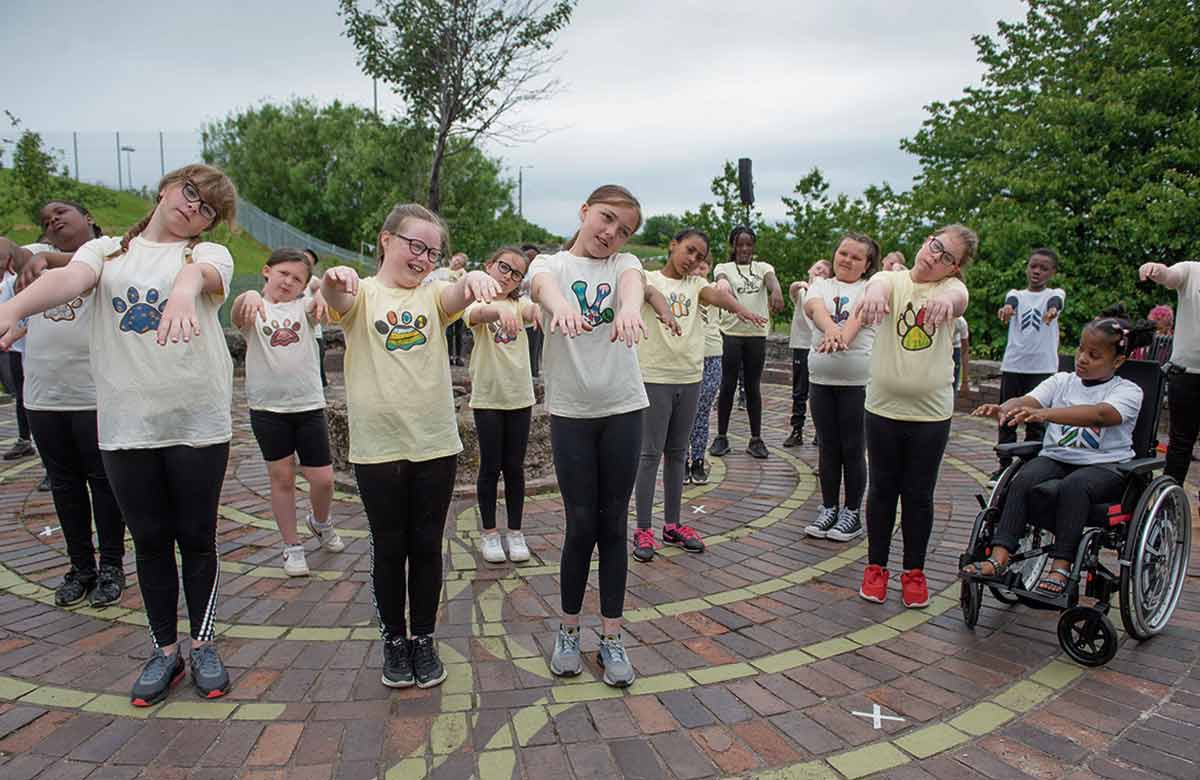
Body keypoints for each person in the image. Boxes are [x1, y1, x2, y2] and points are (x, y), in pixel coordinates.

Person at [0, 164, 239, 705]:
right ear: (165, 188)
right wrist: (12, 307)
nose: (193, 208)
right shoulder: (106, 252)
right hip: (127, 425)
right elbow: (69, 280)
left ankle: (203, 643)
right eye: (190, 193)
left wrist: (182, 289)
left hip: (196, 422)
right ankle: (163, 650)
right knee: (150, 542)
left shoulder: (203, 255)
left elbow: (205, 276)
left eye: (206, 209)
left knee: (196, 540)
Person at [322, 203, 501, 690]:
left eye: (432, 251)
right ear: (386, 240)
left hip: (434, 444)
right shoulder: (362, 293)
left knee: (425, 545)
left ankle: (423, 637)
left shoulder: (432, 295)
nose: (423, 258)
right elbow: (335, 296)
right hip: (378, 449)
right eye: (414, 246)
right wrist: (334, 278)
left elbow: (457, 293)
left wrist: (477, 279)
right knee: (389, 547)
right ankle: (393, 639)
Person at [528, 184, 648, 688]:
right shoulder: (549, 266)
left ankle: (613, 637)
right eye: (605, 219)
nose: (610, 234)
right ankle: (569, 630)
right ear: (583, 211)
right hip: (573, 413)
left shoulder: (624, 266)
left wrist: (630, 309)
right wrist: (560, 307)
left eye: (622, 230)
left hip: (623, 408)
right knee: (580, 525)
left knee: (613, 526)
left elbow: (633, 287)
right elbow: (543, 290)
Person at [964, 306, 1153, 595]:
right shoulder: (1062, 381)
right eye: (1080, 350)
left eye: (1094, 355)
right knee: (1023, 478)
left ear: (1118, 360)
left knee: (1075, 486)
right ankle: (1000, 557)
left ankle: (1061, 566)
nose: (1082, 359)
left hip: (1107, 467)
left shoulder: (1128, 390)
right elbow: (1029, 399)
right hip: (1058, 458)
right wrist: (1003, 407)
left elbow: (1101, 415)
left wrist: (1047, 415)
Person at [1, 201, 126, 607]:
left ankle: (112, 566)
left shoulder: (109, 251)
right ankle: (80, 567)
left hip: (95, 395)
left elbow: (100, 258)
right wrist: (34, 257)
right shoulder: (32, 260)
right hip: (44, 397)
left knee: (105, 484)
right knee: (65, 485)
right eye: (44, 219)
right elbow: (13, 251)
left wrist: (48, 257)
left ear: (88, 217)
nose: (52, 219)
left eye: (61, 212)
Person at [855, 225, 976, 608]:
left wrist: (949, 304)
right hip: (883, 409)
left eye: (947, 258)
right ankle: (876, 568)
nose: (934, 257)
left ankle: (914, 572)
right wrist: (873, 294)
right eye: (935, 246)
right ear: (927, 240)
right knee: (882, 491)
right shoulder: (890, 278)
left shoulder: (950, 289)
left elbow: (959, 299)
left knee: (919, 496)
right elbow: (877, 286)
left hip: (930, 415)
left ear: (954, 268)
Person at [633, 228, 766, 562]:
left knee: (678, 453)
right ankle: (643, 528)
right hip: (654, 377)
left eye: (700, 256)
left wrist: (741, 310)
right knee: (650, 455)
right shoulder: (647, 276)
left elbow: (717, 296)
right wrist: (663, 311)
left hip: (688, 377)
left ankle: (672, 525)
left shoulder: (696, 286)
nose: (692, 260)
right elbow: (649, 294)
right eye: (689, 251)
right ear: (672, 244)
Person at [231, 248, 342, 578]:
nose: (289, 281)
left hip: (307, 406)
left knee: (323, 479)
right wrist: (249, 293)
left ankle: (320, 521)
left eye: (297, 278)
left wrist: (318, 291)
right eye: (283, 273)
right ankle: (292, 545)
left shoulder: (304, 307)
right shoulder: (254, 308)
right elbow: (238, 313)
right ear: (267, 270)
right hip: (267, 409)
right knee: (282, 478)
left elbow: (321, 297)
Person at [464, 247, 540, 564]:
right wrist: (498, 312)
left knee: (515, 468)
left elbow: (532, 310)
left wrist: (539, 311)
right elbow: (477, 316)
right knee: (490, 467)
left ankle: (515, 531)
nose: (508, 276)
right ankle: (490, 533)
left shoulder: (519, 303)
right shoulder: (476, 304)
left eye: (517, 273)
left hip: (519, 397)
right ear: (489, 266)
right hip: (488, 398)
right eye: (504, 268)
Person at [803, 234, 879, 542]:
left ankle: (852, 512)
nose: (846, 260)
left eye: (855, 257)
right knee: (828, 447)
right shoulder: (821, 284)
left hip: (857, 384)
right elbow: (815, 308)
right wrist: (832, 328)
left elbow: (857, 322)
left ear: (867, 265)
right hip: (821, 381)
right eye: (842, 253)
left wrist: (840, 335)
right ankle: (829, 507)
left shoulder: (870, 290)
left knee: (852, 448)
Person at [709, 226, 784, 460]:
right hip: (731, 333)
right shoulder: (724, 268)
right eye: (739, 244)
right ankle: (721, 436)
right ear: (732, 246)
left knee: (753, 386)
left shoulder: (763, 268)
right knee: (728, 385)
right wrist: (722, 284)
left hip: (756, 335)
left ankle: (756, 438)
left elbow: (771, 280)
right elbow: (720, 279)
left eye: (748, 244)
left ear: (753, 246)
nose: (744, 248)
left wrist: (777, 291)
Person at [991, 249, 1065, 485]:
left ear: (1052, 272)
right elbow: (1010, 303)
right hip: (1014, 364)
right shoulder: (1016, 294)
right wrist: (1007, 309)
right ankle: (1003, 466)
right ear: (1027, 267)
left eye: (1044, 268)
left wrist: (1052, 311)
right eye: (1033, 266)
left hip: (1042, 367)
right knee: (1006, 416)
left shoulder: (1055, 294)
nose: (1037, 271)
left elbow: (1056, 303)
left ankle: (1032, 467)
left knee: (1037, 421)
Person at [1139, 260, 1200, 487]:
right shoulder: (1192, 270)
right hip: (1186, 373)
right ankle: (1170, 502)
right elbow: (1170, 276)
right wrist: (1156, 270)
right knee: (1180, 443)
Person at [684, 258, 727, 485]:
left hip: (711, 355)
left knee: (701, 412)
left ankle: (698, 461)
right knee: (681, 415)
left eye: (703, 267)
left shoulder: (714, 290)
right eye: (695, 266)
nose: (698, 271)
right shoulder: (680, 289)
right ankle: (681, 461)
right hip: (685, 356)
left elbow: (726, 288)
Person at [783, 259, 833, 448]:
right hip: (802, 345)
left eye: (826, 272)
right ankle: (797, 430)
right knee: (799, 390)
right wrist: (800, 284)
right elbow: (792, 290)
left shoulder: (826, 296)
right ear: (810, 270)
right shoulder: (802, 292)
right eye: (818, 268)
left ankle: (820, 432)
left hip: (819, 345)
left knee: (819, 390)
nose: (821, 272)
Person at [0, 270, 33, 461]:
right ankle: (24, 440)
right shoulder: (12, 283)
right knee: (23, 397)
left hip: (46, 352)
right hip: (19, 350)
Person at [301, 249, 329, 388]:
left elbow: (320, 287)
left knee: (317, 367)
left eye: (309, 262)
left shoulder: (312, 280)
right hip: (295, 330)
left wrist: (320, 293)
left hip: (314, 332)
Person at [521, 243, 544, 377]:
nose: (531, 260)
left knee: (534, 346)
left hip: (536, 313)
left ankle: (533, 371)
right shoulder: (518, 271)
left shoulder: (541, 272)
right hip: (519, 313)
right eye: (528, 257)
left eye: (534, 257)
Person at [953, 315, 970, 394]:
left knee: (952, 388)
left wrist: (965, 381)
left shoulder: (960, 321)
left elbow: (965, 350)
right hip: (937, 348)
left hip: (954, 349)